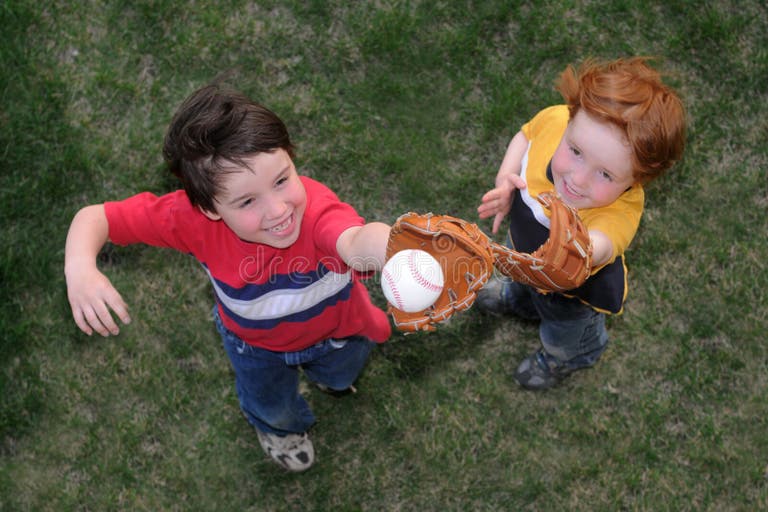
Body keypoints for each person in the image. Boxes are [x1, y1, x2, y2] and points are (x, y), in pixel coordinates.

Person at [64, 82, 392, 472]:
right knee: (272, 405)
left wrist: (398, 247)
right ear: (209, 209)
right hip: (255, 346)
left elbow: (356, 242)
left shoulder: (317, 211)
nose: (278, 210)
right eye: (247, 201)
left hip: (340, 328)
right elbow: (97, 217)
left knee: (341, 374)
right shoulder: (188, 220)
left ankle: (331, 381)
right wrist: (79, 267)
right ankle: (280, 431)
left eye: (282, 180)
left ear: (290, 157)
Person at [476, 57, 686, 390]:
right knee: (526, 281)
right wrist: (505, 180)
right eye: (575, 151)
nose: (578, 179)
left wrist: (580, 247)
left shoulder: (619, 210)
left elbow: (601, 246)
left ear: (637, 180)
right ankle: (521, 299)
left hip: (572, 295)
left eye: (605, 174)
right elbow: (525, 136)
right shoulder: (557, 121)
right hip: (526, 259)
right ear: (571, 118)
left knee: (566, 328)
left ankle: (570, 355)